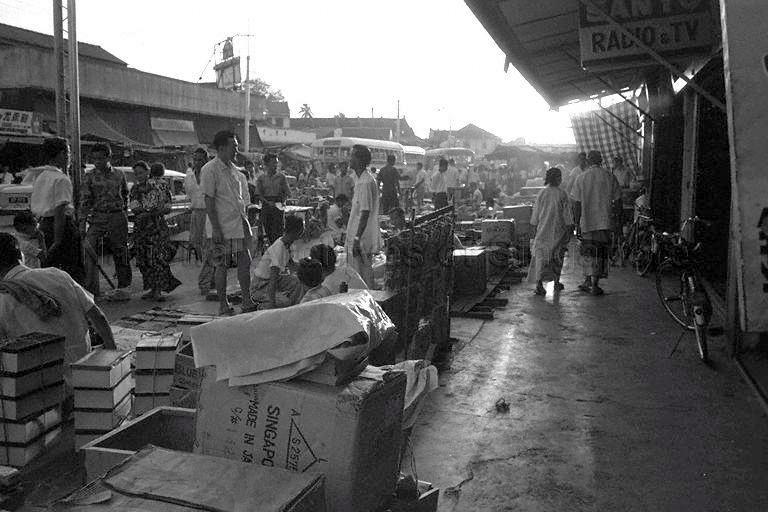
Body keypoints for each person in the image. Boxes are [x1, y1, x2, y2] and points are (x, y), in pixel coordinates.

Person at [0, 232, 115, 393]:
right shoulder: (57, 275)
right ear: (20, 255)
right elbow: (99, 317)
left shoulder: (3, 299)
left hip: (42, 392)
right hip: (83, 376)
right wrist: (114, 359)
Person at [201, 130, 256, 315]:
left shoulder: (236, 171)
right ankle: (223, 303)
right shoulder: (209, 169)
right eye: (234, 146)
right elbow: (209, 200)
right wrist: (216, 228)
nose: (236, 150)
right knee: (221, 265)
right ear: (222, 148)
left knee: (245, 262)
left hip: (238, 224)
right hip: (220, 226)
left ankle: (247, 299)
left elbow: (241, 200)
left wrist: (246, 221)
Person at [80, 143, 131, 300]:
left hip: (117, 216)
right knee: (88, 250)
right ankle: (92, 290)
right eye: (94, 159)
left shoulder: (119, 175)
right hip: (98, 218)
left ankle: (123, 288)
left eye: (101, 158)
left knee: (120, 251)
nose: (97, 162)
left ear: (109, 158)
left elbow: (125, 194)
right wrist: (82, 222)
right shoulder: (89, 176)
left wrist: (124, 215)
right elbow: (85, 200)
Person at [28, 137, 83, 281]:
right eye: (68, 153)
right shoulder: (61, 179)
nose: (69, 157)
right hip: (61, 227)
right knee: (71, 270)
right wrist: (58, 240)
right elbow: (60, 211)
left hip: (44, 225)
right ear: (61, 154)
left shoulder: (41, 177)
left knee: (48, 269)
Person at [571, 150, 621, 296]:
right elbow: (618, 201)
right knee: (600, 252)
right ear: (601, 160)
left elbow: (577, 204)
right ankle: (594, 284)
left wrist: (576, 223)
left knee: (588, 251)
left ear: (588, 161)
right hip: (604, 221)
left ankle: (587, 280)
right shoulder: (609, 176)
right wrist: (618, 220)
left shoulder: (581, 178)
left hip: (586, 221)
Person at [129, 161, 181, 301]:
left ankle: (158, 289)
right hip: (141, 228)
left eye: (141, 172)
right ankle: (152, 288)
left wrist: (152, 212)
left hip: (157, 228)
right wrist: (147, 212)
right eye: (136, 174)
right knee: (143, 259)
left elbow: (167, 206)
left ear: (148, 171)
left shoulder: (161, 186)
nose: (138, 176)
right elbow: (134, 207)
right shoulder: (135, 189)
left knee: (156, 258)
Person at [530, 168, 574, 296]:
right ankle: (556, 282)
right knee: (557, 257)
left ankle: (539, 284)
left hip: (543, 230)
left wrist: (533, 233)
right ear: (558, 179)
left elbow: (535, 216)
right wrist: (570, 230)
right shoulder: (562, 194)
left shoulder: (542, 193)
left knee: (541, 258)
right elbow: (568, 216)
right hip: (558, 231)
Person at [346, 144, 382, 288]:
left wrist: (356, 238)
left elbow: (365, 212)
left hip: (361, 237)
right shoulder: (361, 180)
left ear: (360, 160)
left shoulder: (366, 182)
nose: (350, 159)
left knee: (361, 275)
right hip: (359, 235)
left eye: (352, 156)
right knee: (360, 274)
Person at [250, 214, 304, 309]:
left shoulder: (287, 243)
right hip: (260, 286)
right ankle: (263, 307)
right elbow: (272, 281)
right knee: (283, 302)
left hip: (275, 280)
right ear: (297, 231)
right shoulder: (278, 248)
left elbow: (292, 265)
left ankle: (292, 306)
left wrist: (306, 266)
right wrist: (272, 303)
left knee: (298, 282)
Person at [185, 148, 215, 297]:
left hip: (209, 213)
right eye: (195, 159)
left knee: (209, 248)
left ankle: (205, 282)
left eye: (200, 160)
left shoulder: (209, 174)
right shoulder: (189, 175)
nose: (197, 162)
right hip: (196, 213)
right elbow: (190, 195)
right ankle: (211, 278)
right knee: (198, 246)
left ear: (206, 160)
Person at [255, 153, 290, 245]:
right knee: (268, 230)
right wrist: (267, 202)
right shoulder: (261, 178)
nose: (276, 165)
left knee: (279, 231)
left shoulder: (281, 177)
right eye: (273, 163)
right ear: (266, 164)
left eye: (276, 163)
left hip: (278, 206)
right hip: (266, 206)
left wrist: (282, 202)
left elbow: (287, 192)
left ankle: (279, 249)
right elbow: (258, 194)